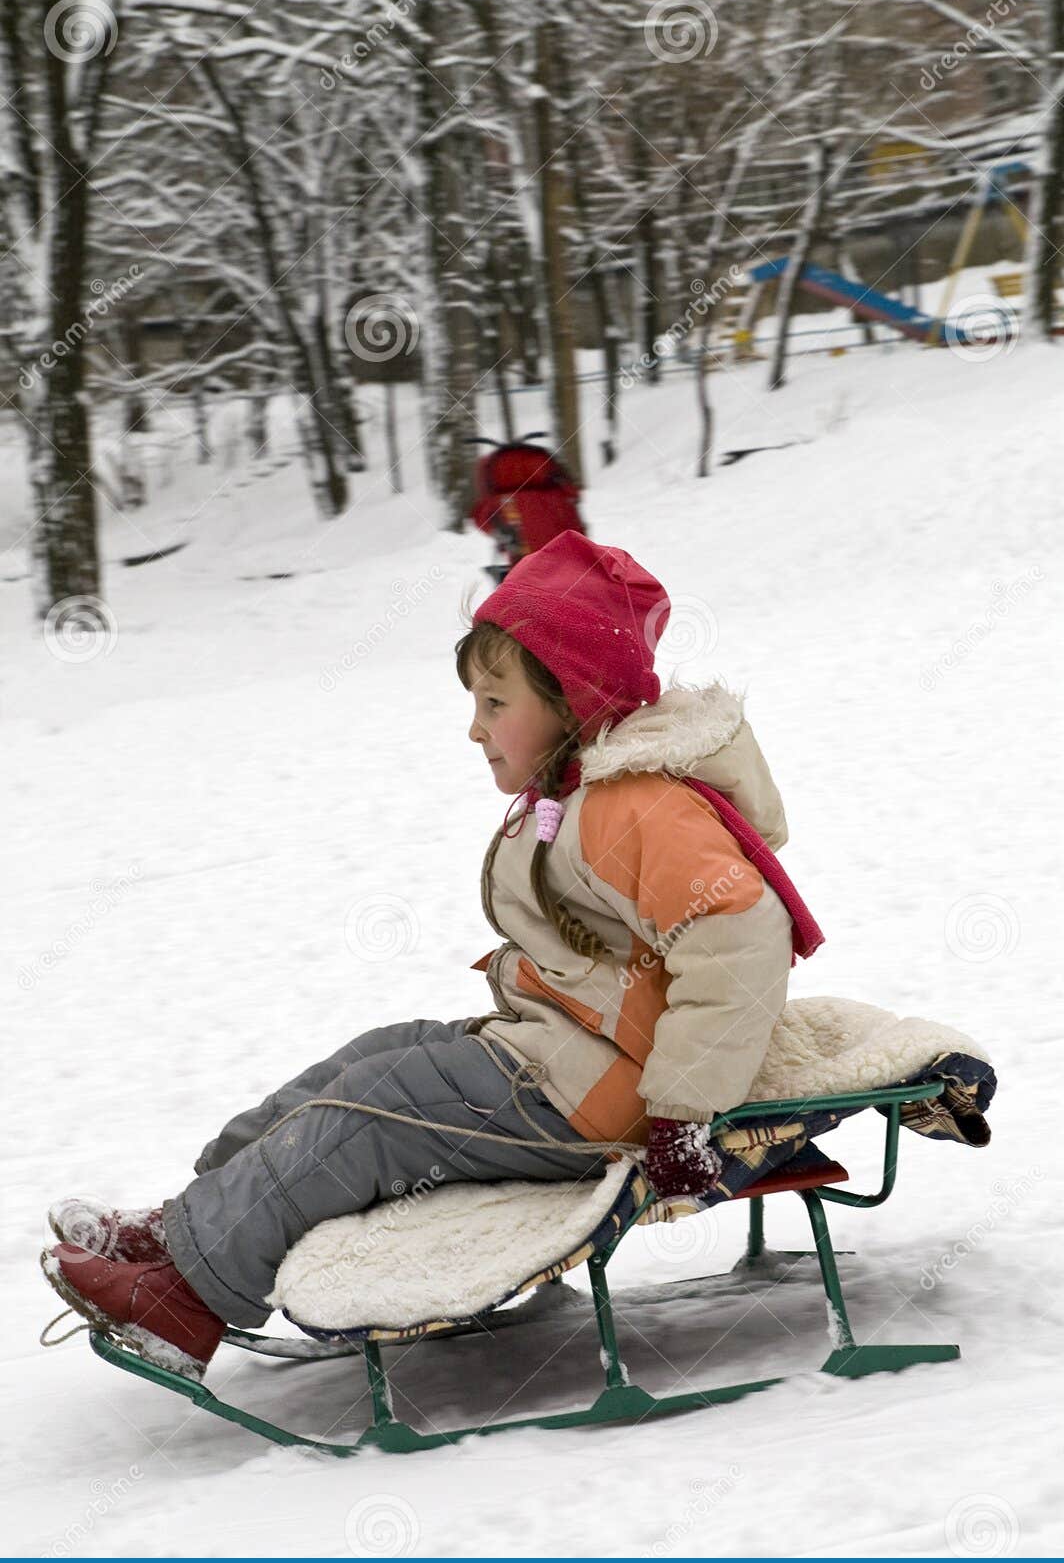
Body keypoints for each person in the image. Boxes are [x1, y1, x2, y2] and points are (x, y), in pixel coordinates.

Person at [41, 534, 799, 1382]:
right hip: (558, 1052)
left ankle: (187, 1295)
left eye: (495, 702)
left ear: (571, 697)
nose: (475, 729)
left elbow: (742, 937)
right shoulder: (584, 795)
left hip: (604, 1097)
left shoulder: (637, 806)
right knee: (371, 1060)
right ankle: (187, 1227)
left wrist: (683, 1113)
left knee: (372, 1117)